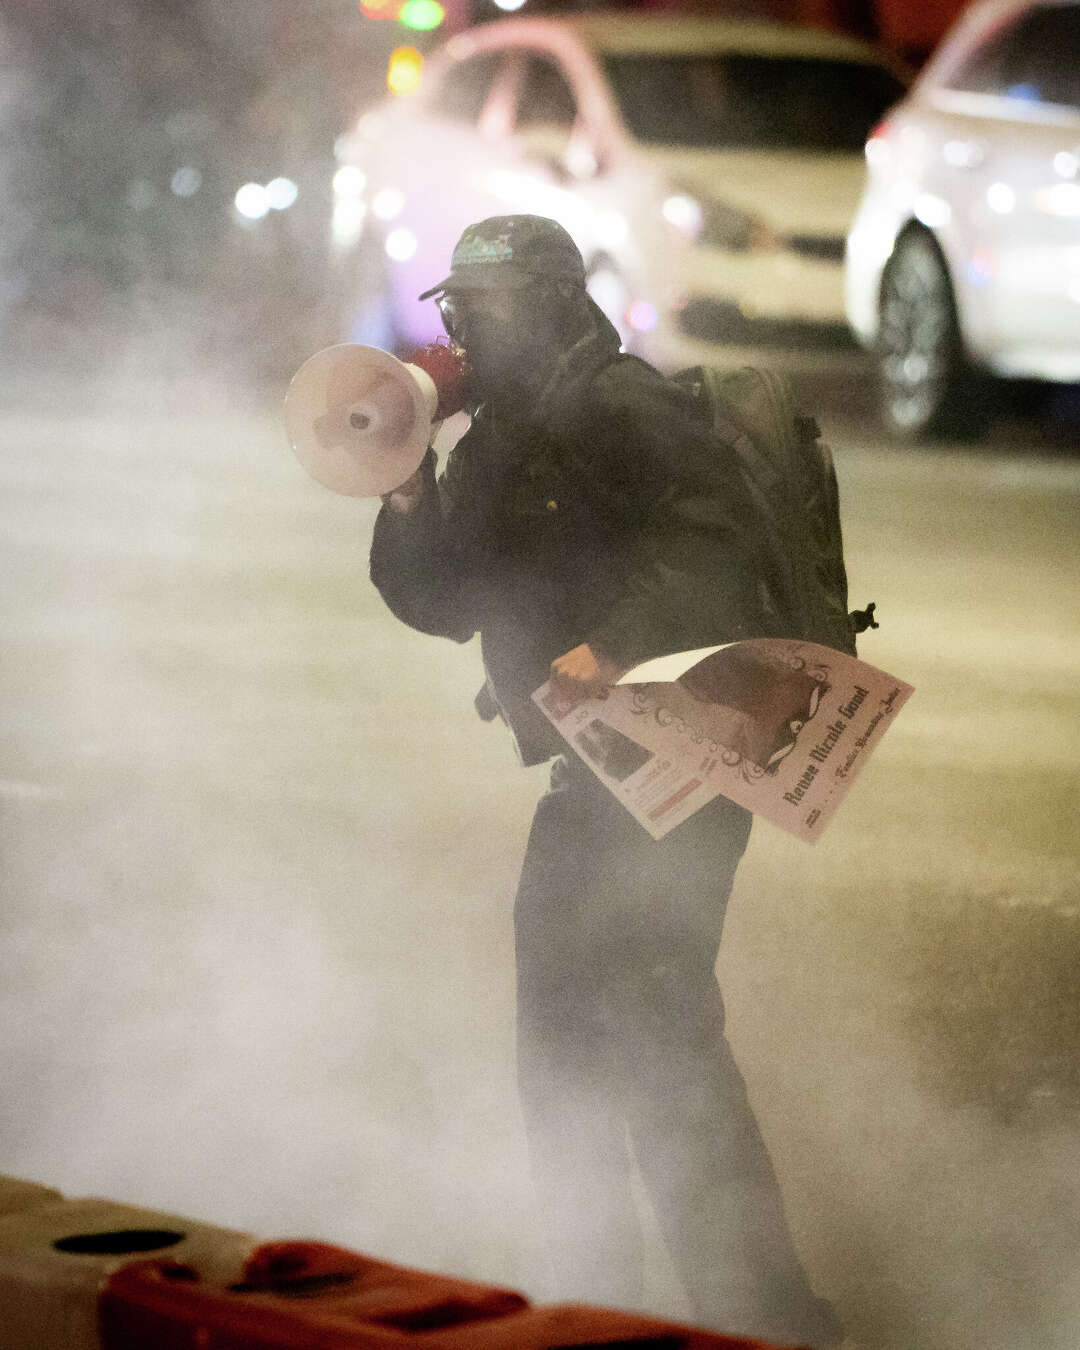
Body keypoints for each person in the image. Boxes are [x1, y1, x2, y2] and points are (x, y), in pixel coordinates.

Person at [368, 215, 842, 1348]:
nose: (459, 335)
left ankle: (759, 1317)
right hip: (596, 775)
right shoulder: (502, 438)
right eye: (454, 313)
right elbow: (443, 601)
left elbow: (719, 550)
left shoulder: (622, 407)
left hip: (680, 756)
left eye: (475, 312)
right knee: (566, 1038)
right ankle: (597, 1301)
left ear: (533, 305)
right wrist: (404, 491)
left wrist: (610, 646)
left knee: (657, 1027)